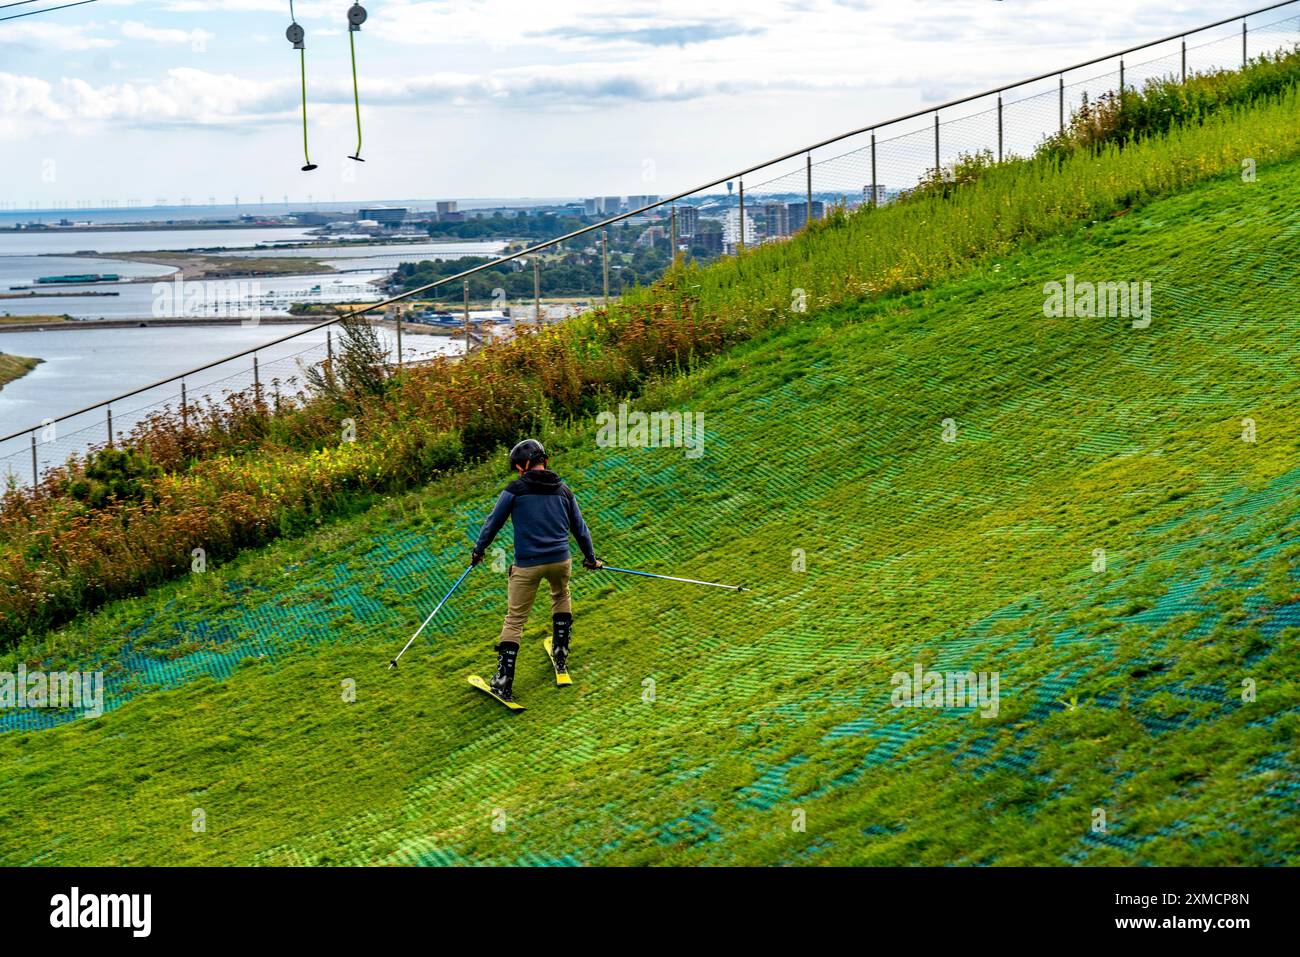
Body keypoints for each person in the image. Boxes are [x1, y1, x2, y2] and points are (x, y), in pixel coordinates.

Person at [471, 438, 601, 701]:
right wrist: (591, 558)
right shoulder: (563, 490)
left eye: (518, 466)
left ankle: (503, 681)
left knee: (515, 619)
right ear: (545, 460)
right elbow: (580, 527)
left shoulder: (515, 490)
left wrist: (478, 550)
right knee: (561, 595)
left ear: (524, 465)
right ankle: (561, 654)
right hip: (560, 561)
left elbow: (493, 522)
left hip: (528, 565)